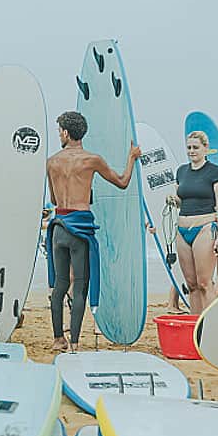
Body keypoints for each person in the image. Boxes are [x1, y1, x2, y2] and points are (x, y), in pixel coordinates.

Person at [44, 110, 141, 352]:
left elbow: (54, 198)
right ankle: (75, 343)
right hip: (80, 228)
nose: (59, 135)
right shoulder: (92, 160)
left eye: (59, 131)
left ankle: (58, 339)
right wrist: (131, 158)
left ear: (66, 133)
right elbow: (122, 182)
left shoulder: (51, 162)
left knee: (60, 285)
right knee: (80, 287)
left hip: (59, 227)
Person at [174, 131, 218, 314]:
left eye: (195, 147)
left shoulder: (216, 172)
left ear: (206, 149)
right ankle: (195, 327)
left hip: (205, 227)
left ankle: (211, 327)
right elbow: (182, 198)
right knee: (191, 284)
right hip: (182, 229)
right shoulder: (181, 171)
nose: (191, 151)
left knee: (205, 282)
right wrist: (173, 200)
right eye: (188, 147)